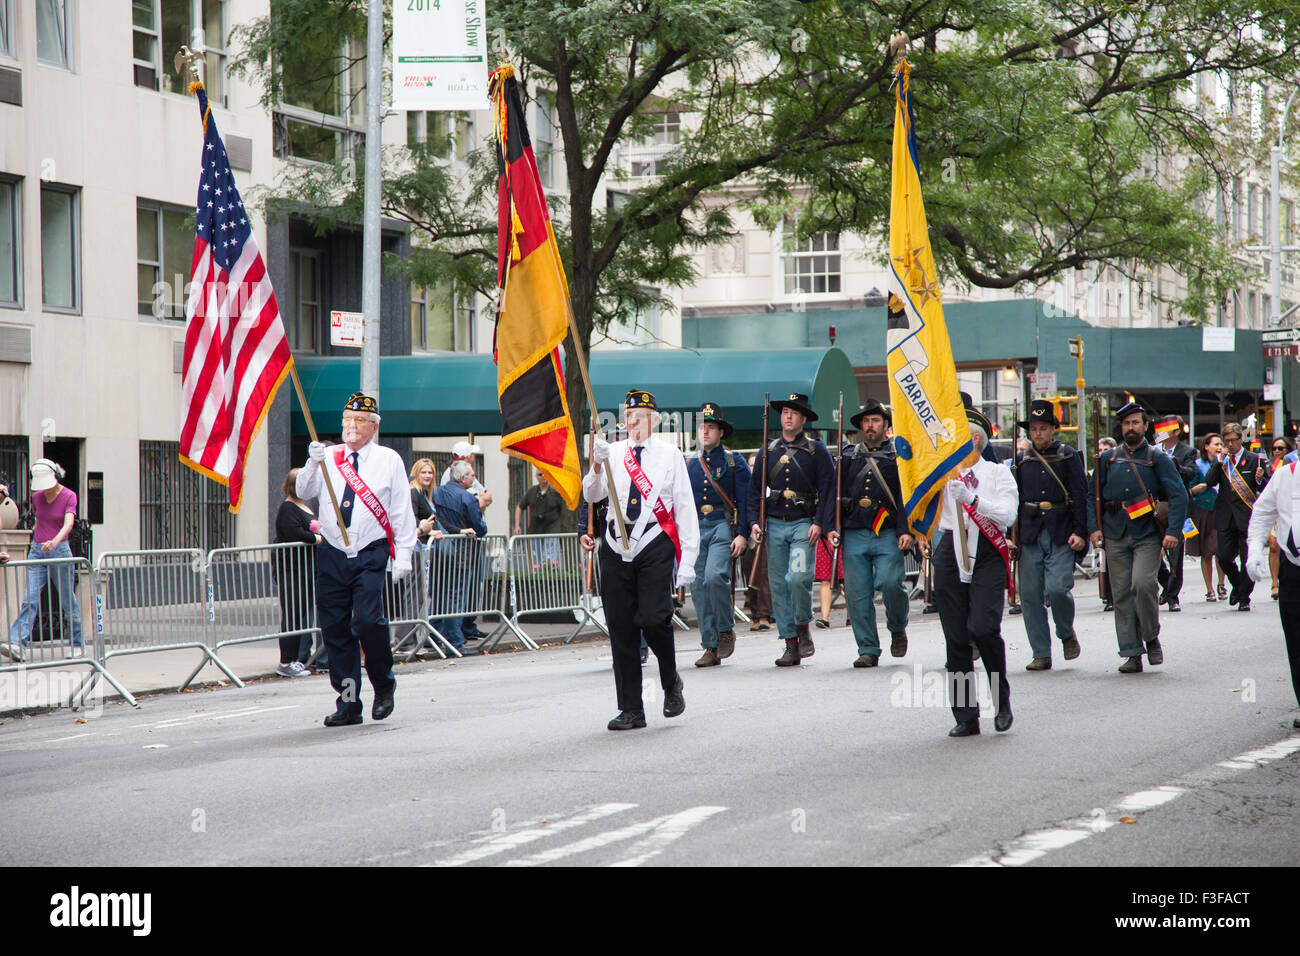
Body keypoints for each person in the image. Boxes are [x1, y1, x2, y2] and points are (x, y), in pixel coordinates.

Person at [297, 393, 417, 726]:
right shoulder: (329, 456)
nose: (351, 426)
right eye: (347, 420)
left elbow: (400, 510)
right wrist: (311, 462)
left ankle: (383, 684)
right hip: (333, 551)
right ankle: (349, 702)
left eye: (359, 421)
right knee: (334, 629)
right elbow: (304, 491)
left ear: (374, 426)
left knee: (367, 620)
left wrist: (404, 554)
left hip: (370, 550)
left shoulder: (388, 459)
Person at [582, 389, 698, 730]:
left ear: (655, 420)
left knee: (654, 618)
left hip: (653, 540)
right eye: (630, 417)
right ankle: (632, 708)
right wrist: (596, 467)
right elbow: (592, 495)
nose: (634, 422)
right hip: (616, 543)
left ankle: (670, 679)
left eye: (642, 417)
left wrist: (688, 559)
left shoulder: (669, 454)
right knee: (621, 627)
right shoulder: (612, 451)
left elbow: (684, 506)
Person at [920, 405, 1018, 737]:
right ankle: (966, 715)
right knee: (956, 637)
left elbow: (1007, 515)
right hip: (951, 548)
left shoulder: (998, 473)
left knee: (983, 628)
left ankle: (1000, 698)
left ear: (975, 438)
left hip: (987, 550)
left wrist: (973, 500)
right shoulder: (944, 474)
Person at [1087, 402, 1189, 673]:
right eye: (1126, 423)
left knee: (1143, 585)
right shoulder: (1108, 458)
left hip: (1146, 533)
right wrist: (1094, 529)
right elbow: (1092, 496)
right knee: (1120, 594)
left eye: (1135, 423)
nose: (1130, 428)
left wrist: (1173, 532)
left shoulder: (1158, 458)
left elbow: (1178, 495)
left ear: (1145, 426)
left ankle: (1151, 635)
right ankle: (1131, 652)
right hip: (1115, 532)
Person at [747, 392, 835, 667]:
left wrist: (820, 523)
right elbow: (753, 492)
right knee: (778, 585)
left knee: (797, 578)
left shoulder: (815, 449)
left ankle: (802, 625)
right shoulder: (767, 450)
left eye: (794, 412)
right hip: (773, 525)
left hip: (802, 523)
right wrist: (754, 523)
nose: (788, 415)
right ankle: (790, 642)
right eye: (785, 411)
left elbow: (828, 490)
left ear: (803, 418)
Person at [825, 399, 912, 668]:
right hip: (855, 531)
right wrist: (831, 527)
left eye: (875, 420)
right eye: (866, 421)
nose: (870, 425)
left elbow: (906, 496)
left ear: (885, 424)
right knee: (857, 594)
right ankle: (867, 648)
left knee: (890, 583)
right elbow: (834, 495)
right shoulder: (849, 455)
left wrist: (905, 530)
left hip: (887, 532)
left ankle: (897, 627)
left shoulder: (899, 456)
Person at [1013, 400, 1088, 671]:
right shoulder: (1021, 460)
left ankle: (1066, 632)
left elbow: (1081, 496)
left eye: (1043, 428)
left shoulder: (1068, 456)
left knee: (1058, 589)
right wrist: (1013, 536)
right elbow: (1015, 500)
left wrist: (1081, 532)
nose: (1038, 433)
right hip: (1030, 533)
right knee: (1031, 595)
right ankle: (1041, 652)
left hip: (1061, 531)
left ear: (1053, 430)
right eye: (1033, 429)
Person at [686, 403, 750, 667]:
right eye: (702, 426)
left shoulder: (735, 462)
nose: (706, 431)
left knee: (714, 577)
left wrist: (743, 534)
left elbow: (747, 502)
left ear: (721, 432)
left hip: (723, 525)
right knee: (698, 587)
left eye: (711, 427)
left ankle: (725, 629)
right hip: (695, 528)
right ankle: (710, 646)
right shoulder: (690, 464)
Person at [1, 459, 84, 661]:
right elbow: (39, 522)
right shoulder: (37, 497)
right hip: (38, 550)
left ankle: (76, 643)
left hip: (60, 549)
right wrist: (35, 543)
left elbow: (68, 523)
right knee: (29, 598)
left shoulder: (68, 496)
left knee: (67, 599)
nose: (44, 490)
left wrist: (55, 542)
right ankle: (18, 644)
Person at [1245, 456, 1300, 729]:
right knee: (1295, 636)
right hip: (1293, 567)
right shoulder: (1284, 475)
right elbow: (1262, 513)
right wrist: (1254, 550)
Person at [1201, 422, 1269, 612]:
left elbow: (1264, 488)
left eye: (1233, 441)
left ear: (1240, 439)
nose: (1230, 445)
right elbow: (1209, 481)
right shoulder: (1222, 461)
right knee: (1223, 557)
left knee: (1247, 558)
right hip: (1225, 516)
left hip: (1246, 516)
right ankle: (1238, 586)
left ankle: (1244, 596)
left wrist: (1259, 478)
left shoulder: (1254, 459)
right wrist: (1218, 462)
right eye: (1227, 441)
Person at [433, 461, 489, 652]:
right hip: (462, 553)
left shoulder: (437, 492)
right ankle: (454, 643)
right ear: (463, 478)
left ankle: (434, 637)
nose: (474, 478)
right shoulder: (467, 498)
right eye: (472, 475)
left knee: (440, 595)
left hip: (440, 551)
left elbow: (435, 517)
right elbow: (479, 528)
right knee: (456, 597)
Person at [274, 468, 322, 677]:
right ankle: (286, 661)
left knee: (301, 614)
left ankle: (294, 660)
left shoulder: (305, 505)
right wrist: (317, 538)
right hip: (292, 568)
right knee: (292, 615)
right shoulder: (288, 508)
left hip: (307, 568)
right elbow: (294, 532)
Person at [441, 441, 492, 638]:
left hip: (468, 541)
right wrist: (479, 501)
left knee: (469, 586)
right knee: (458, 589)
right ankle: (456, 633)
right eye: (471, 453)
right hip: (462, 542)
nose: (473, 457)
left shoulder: (463, 475)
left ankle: (465, 627)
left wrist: (481, 500)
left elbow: (487, 496)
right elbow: (479, 501)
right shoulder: (452, 479)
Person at [1153, 416, 1198, 612]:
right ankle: (1167, 584)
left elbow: (1190, 473)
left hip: (1178, 506)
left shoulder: (1187, 451)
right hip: (1155, 506)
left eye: (1165, 428)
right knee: (1152, 550)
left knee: (1176, 552)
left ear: (1176, 431)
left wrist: (1171, 462)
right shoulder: (1152, 450)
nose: (1160, 432)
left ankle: (1172, 595)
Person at [1187, 434, 1227, 602]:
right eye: (1216, 444)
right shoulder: (1197, 466)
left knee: (1220, 549)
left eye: (1221, 444)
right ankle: (1209, 589)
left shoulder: (1227, 463)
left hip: (1222, 510)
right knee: (1206, 551)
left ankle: (1221, 584)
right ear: (1206, 446)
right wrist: (1197, 489)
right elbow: (1188, 490)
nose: (1220, 447)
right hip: (1203, 510)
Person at [741, 453, 774, 631]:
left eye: (756, 465)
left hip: (769, 532)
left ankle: (764, 615)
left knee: (763, 574)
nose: (753, 468)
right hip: (750, 533)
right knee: (750, 572)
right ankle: (755, 614)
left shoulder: (770, 485)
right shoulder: (748, 485)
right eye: (751, 465)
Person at [515, 469, 567, 568]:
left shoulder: (555, 492)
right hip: (536, 531)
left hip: (552, 530)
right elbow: (519, 507)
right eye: (540, 474)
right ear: (536, 477)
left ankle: (550, 574)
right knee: (539, 561)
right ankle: (541, 579)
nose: (543, 476)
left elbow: (564, 510)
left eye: (545, 474)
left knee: (548, 560)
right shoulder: (532, 491)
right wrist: (517, 525)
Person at [1267, 438, 1295, 600]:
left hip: (1292, 509)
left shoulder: (1292, 460)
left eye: (1280, 448)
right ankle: (1275, 583)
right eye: (1274, 448)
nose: (1277, 451)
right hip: (1277, 508)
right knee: (1273, 545)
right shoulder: (1269, 464)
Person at [409, 458, 442, 549]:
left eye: (430, 473)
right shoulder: (414, 492)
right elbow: (411, 517)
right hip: (418, 546)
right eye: (423, 472)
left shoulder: (426, 493)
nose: (427, 476)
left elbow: (437, 519)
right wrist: (428, 531)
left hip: (427, 545)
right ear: (416, 474)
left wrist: (460, 531)